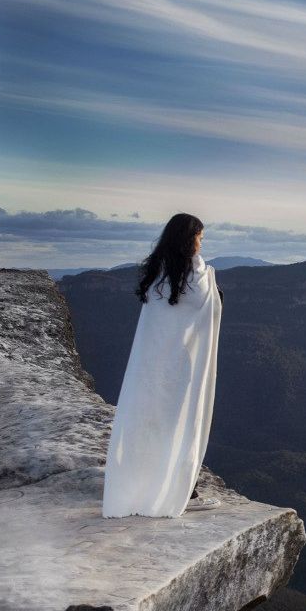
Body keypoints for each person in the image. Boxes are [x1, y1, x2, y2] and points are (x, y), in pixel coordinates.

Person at [101, 213, 224, 518]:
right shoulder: (197, 275)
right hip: (181, 366)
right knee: (182, 424)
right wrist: (212, 281)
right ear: (189, 239)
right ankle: (183, 491)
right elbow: (208, 304)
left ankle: (141, 487)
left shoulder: (156, 275)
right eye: (200, 238)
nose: (201, 244)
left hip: (150, 365)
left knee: (151, 426)